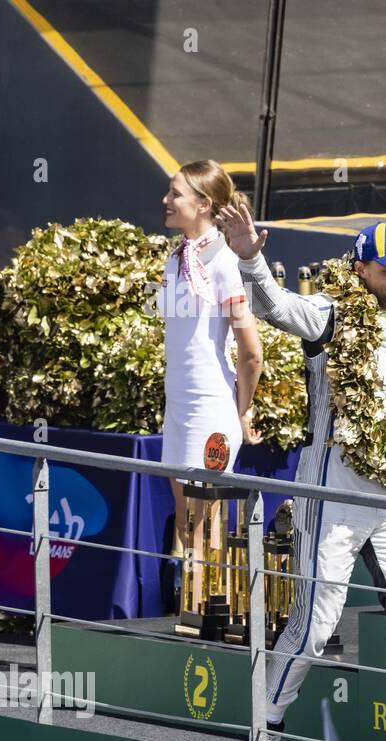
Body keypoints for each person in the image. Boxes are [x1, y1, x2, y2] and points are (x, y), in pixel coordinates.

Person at [219, 206, 386, 741]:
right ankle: (267, 732)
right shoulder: (331, 316)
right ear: (361, 269)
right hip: (333, 488)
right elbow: (273, 307)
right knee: (316, 627)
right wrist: (250, 255)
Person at [159, 160, 264, 545]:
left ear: (203, 205)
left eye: (176, 194)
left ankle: (209, 607)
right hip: (178, 407)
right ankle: (189, 607)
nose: (166, 200)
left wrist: (240, 410)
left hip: (210, 408)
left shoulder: (226, 262)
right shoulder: (175, 260)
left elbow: (252, 352)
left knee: (203, 530)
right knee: (186, 527)